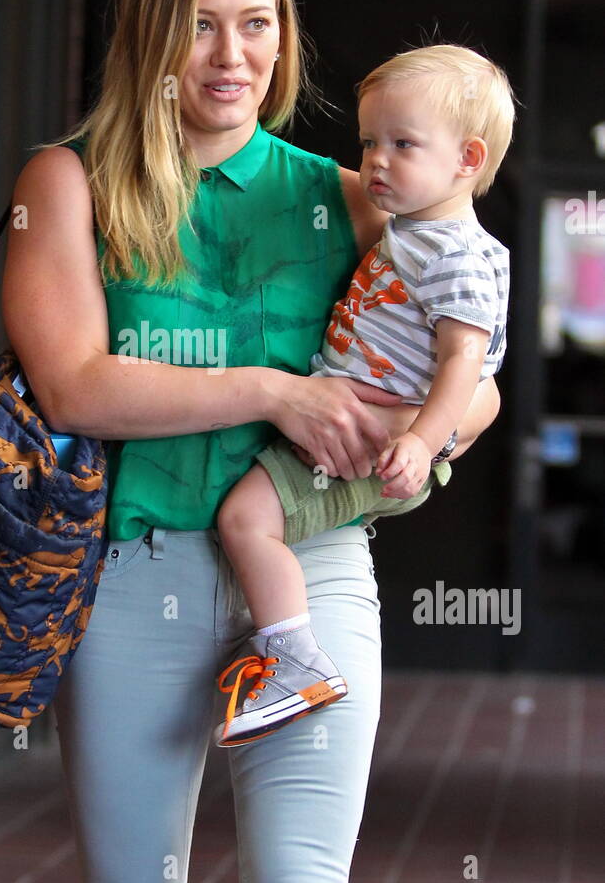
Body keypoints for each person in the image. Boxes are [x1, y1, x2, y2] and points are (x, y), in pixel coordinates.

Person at [1, 0, 500, 883]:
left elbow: (478, 380)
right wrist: (280, 391)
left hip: (313, 577)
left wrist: (418, 435)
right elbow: (75, 383)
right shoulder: (68, 183)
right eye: (200, 26)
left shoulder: (346, 193)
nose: (233, 57)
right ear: (146, 34)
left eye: (257, 24)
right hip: (133, 579)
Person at [213, 44, 513, 746]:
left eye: (403, 144)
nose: (376, 159)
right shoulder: (413, 233)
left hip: (372, 444)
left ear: (466, 161)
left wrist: (418, 439)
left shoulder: (458, 256)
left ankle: (294, 660)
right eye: (370, 141)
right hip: (366, 429)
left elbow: (465, 363)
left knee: (244, 521)